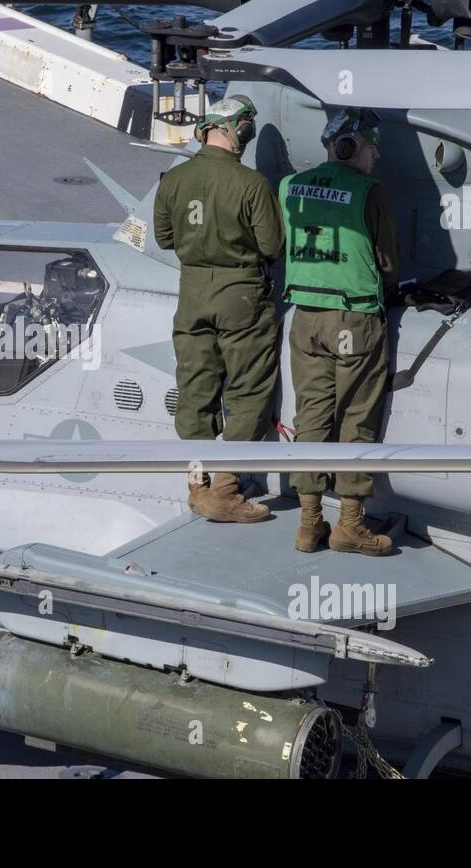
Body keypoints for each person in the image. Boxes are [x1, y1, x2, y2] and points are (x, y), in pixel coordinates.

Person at [154, 94, 284, 523]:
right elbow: (272, 246)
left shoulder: (173, 179)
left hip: (191, 293)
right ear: (239, 131)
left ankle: (197, 486)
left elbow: (164, 238)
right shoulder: (252, 184)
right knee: (248, 390)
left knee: (194, 389)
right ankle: (226, 490)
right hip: (241, 296)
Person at [280, 108, 400, 555]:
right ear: (349, 146)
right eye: (372, 148)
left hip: (305, 317)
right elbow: (387, 261)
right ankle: (350, 525)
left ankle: (309, 525)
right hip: (355, 318)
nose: (376, 157)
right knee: (356, 420)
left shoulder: (289, 186)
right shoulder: (368, 191)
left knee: (310, 417)